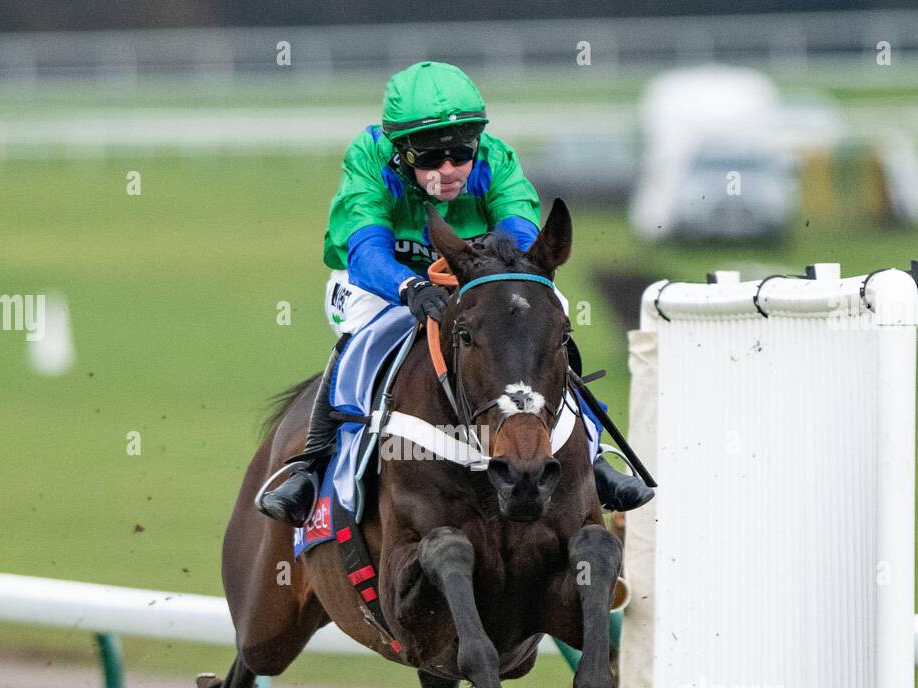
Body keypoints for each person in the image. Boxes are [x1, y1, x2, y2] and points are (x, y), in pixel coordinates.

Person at [257, 61, 655, 526]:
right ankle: (311, 463)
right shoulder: (369, 157)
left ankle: (593, 454)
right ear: (401, 151)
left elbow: (521, 229)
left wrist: (509, 279)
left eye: (460, 155)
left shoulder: (495, 157)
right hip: (382, 280)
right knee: (364, 331)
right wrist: (409, 286)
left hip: (475, 277)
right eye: (429, 158)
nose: (448, 170)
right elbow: (365, 249)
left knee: (550, 316)